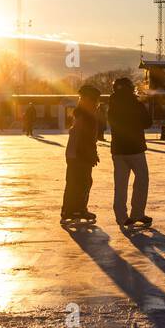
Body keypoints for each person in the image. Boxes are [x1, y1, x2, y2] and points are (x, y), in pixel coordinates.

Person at [108, 76, 153, 228]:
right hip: (135, 149)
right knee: (142, 180)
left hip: (118, 150)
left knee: (120, 184)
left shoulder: (112, 105)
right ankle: (137, 213)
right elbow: (148, 123)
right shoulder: (136, 104)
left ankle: (121, 217)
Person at [61, 85, 101, 224]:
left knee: (76, 182)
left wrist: (92, 153)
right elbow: (84, 139)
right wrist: (91, 154)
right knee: (81, 182)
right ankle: (76, 210)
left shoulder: (83, 114)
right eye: (94, 100)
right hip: (78, 154)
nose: (96, 103)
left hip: (75, 153)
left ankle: (70, 210)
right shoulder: (85, 115)